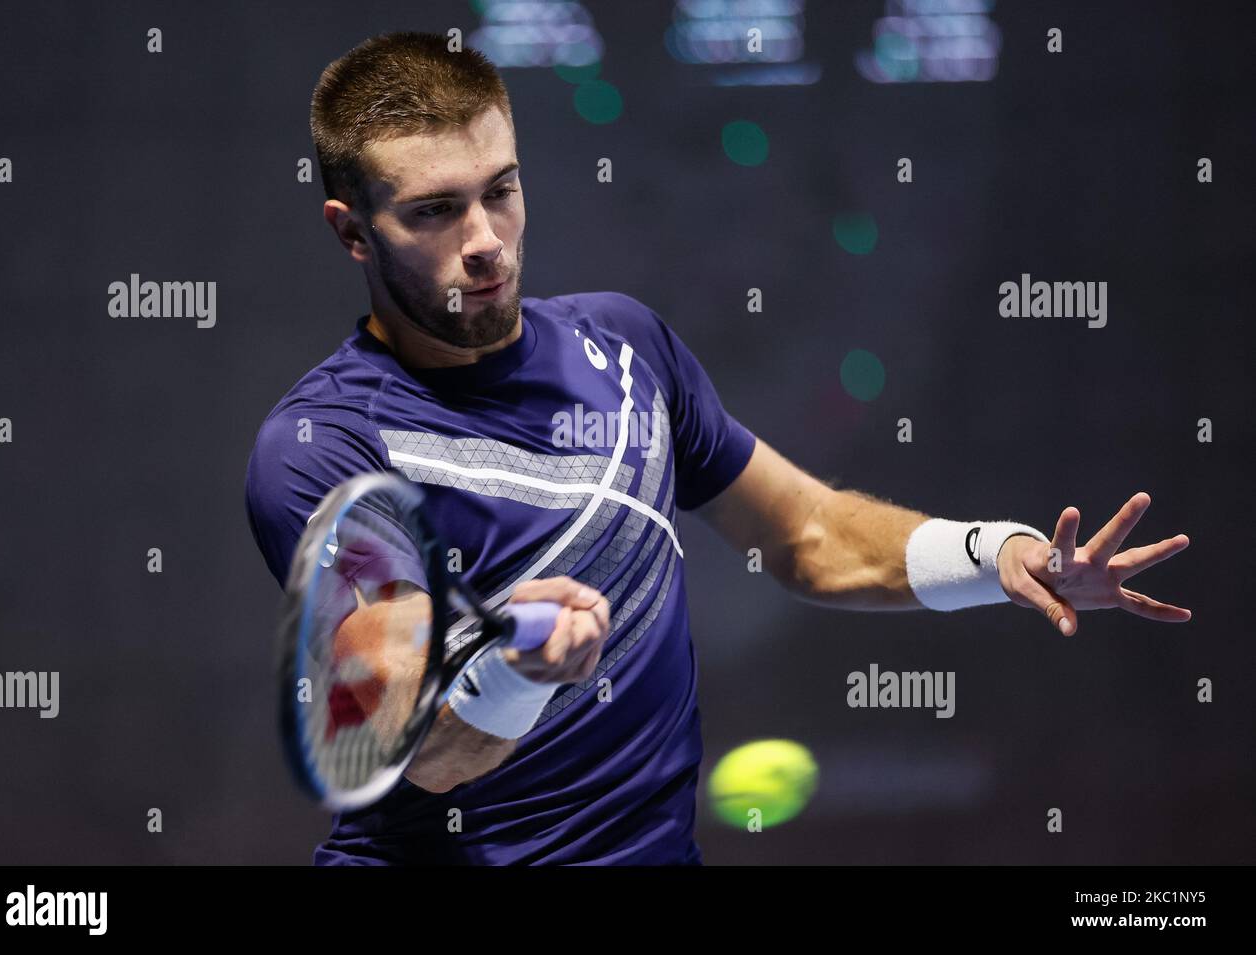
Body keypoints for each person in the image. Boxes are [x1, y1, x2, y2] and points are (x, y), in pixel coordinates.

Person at [244, 32, 1191, 865]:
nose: (486, 241)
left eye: (502, 190)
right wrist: (509, 665)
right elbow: (418, 750)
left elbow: (807, 535)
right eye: (435, 211)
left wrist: (999, 554)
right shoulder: (323, 448)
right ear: (352, 233)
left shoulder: (624, 346)